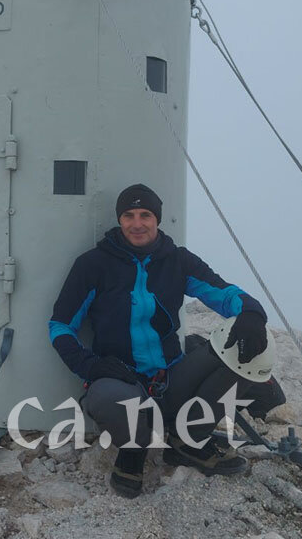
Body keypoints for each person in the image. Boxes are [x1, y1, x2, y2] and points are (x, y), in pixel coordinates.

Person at [48, 183, 270, 498]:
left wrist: (251, 312)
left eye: (145, 215)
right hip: (122, 379)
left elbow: (222, 293)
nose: (137, 223)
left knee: (252, 353)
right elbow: (60, 325)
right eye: (129, 215)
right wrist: (91, 366)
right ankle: (133, 451)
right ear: (119, 219)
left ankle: (188, 441)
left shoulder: (178, 260)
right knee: (106, 397)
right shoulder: (93, 264)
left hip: (171, 377)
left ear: (157, 219)